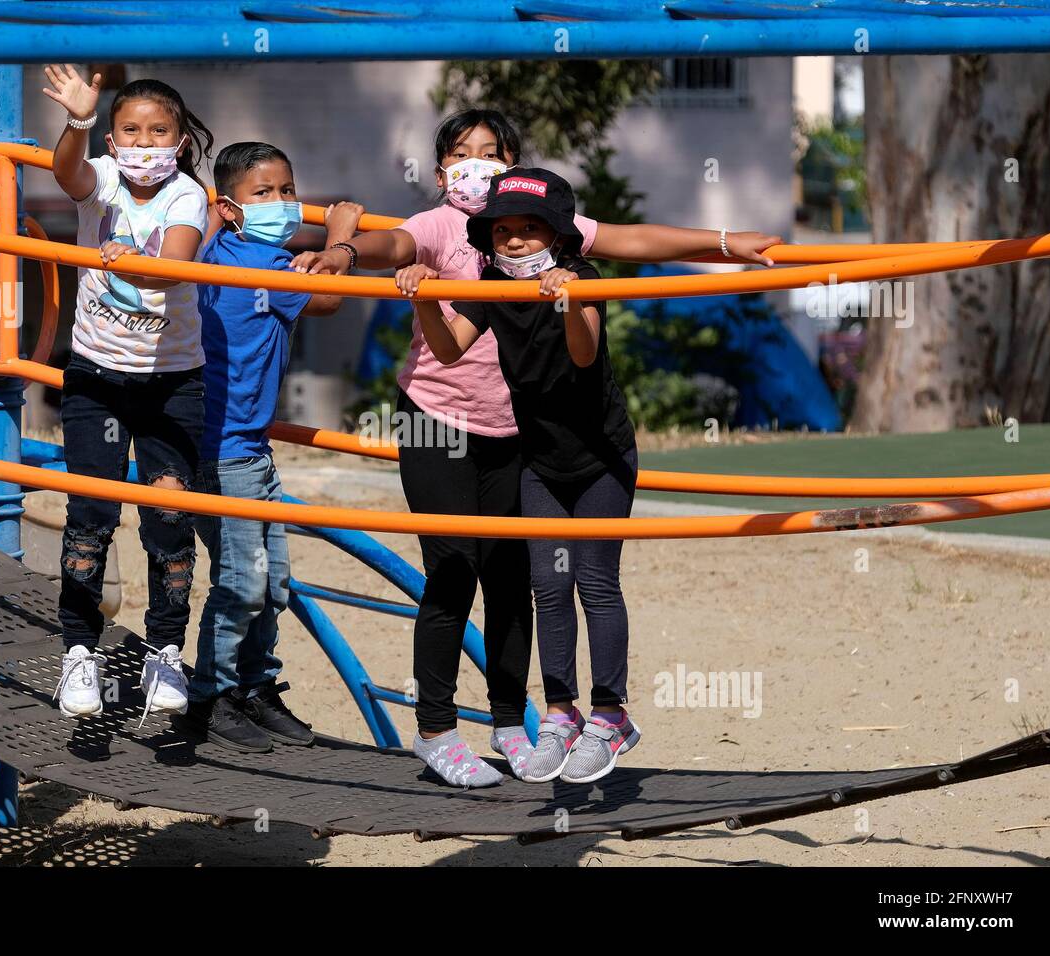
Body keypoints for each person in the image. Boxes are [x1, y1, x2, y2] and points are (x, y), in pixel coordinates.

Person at [293, 109, 780, 786]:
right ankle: (436, 729)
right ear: (441, 174)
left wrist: (725, 243)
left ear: (515, 168)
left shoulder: (539, 229)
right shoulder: (458, 233)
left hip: (517, 429)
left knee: (519, 580)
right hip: (437, 420)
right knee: (454, 567)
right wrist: (347, 252)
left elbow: (635, 242)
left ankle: (512, 722)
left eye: (490, 154)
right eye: (461, 155)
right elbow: (397, 250)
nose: (475, 167)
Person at [416, 167, 642, 784]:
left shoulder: (585, 279)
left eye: (529, 229)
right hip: (540, 459)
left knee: (595, 582)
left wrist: (567, 297)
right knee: (548, 585)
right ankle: (562, 711)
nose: (514, 241)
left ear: (561, 237)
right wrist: (425, 300)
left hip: (600, 458)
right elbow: (448, 348)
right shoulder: (491, 283)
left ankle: (610, 714)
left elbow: (583, 353)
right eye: (503, 231)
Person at [41, 64, 214, 721]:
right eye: (131, 131)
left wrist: (131, 260)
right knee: (91, 517)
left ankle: (166, 652)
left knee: (170, 519)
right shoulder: (105, 179)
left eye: (159, 131)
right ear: (113, 141)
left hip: (171, 382)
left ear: (179, 142)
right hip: (97, 377)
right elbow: (67, 174)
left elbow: (173, 268)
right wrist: (78, 120)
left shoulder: (188, 196)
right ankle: (79, 654)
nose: (145, 143)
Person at [184, 142, 364, 753]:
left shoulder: (214, 248)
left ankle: (255, 689)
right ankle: (210, 698)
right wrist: (340, 238)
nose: (283, 202)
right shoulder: (265, 264)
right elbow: (332, 296)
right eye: (265, 193)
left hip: (249, 451)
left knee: (273, 580)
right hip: (223, 455)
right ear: (233, 208)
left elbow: (206, 224)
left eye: (288, 189)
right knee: (241, 583)